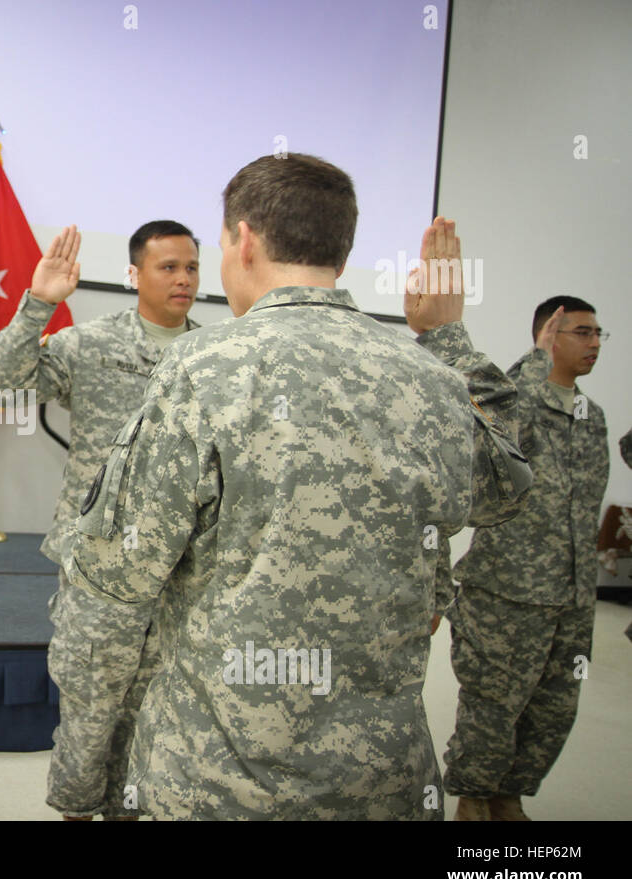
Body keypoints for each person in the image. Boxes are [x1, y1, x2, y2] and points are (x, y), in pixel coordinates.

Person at [64, 153, 532, 820]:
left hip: (217, 776)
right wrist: (447, 339)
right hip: (381, 780)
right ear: (342, 251)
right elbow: (509, 488)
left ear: (243, 240)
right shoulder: (426, 376)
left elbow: (121, 569)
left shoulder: (202, 366)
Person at [0, 221, 200, 819]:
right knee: (89, 710)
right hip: (99, 565)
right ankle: (77, 811)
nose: (182, 279)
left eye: (191, 267)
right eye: (167, 267)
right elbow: (0, 384)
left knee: (157, 712)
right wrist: (39, 305)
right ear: (134, 275)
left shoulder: (214, 359)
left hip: (181, 571)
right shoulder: (91, 343)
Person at [444, 297, 609, 821]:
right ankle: (473, 800)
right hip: (508, 591)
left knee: (552, 709)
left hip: (573, 594)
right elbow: (496, 406)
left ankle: (509, 796)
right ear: (550, 335)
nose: (595, 343)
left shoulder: (591, 416)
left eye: (599, 333)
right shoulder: (522, 402)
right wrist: (534, 361)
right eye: (582, 332)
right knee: (494, 706)